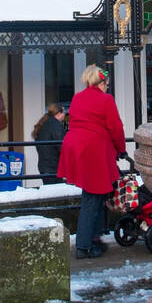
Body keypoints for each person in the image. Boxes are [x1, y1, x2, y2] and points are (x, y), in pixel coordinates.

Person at [58, 65, 126, 258]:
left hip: (76, 148)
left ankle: (95, 239)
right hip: (93, 150)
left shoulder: (78, 97)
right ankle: (84, 245)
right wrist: (121, 149)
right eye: (106, 84)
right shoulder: (105, 99)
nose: (107, 88)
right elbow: (115, 127)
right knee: (92, 197)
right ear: (100, 83)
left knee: (97, 195)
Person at [31, 103, 67, 185]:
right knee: (57, 193)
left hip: (44, 165)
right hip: (53, 166)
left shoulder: (43, 124)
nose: (65, 115)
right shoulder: (56, 126)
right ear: (58, 114)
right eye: (64, 113)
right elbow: (62, 146)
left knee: (51, 191)